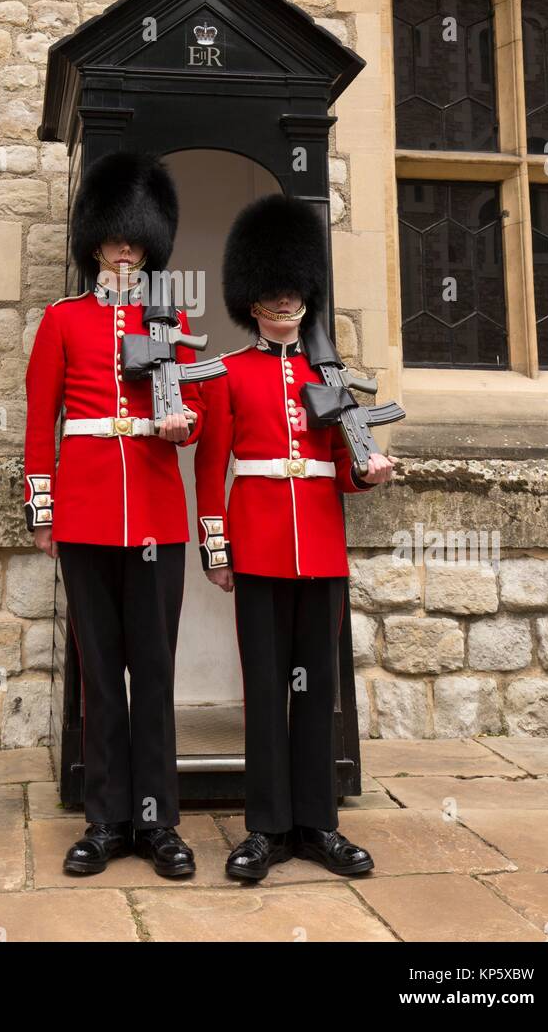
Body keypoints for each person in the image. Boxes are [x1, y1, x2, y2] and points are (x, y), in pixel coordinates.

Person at [195, 193, 396, 883]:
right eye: (272, 292)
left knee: (318, 694)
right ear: (252, 301)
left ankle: (318, 824)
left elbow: (344, 473)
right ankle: (265, 828)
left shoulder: (328, 376)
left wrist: (372, 472)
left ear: (305, 296)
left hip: (321, 554)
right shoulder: (226, 374)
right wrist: (217, 552)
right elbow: (210, 467)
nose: (283, 302)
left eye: (292, 291)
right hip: (257, 550)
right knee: (264, 690)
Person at [23, 151, 205, 879]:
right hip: (86, 512)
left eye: (136, 238)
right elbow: (43, 424)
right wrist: (44, 511)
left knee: (155, 673)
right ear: (96, 242)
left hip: (158, 513)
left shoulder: (172, 319)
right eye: (114, 237)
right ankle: (106, 820)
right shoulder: (62, 321)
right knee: (99, 672)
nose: (125, 249)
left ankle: (158, 823)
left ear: (149, 243)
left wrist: (181, 426)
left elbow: (194, 420)